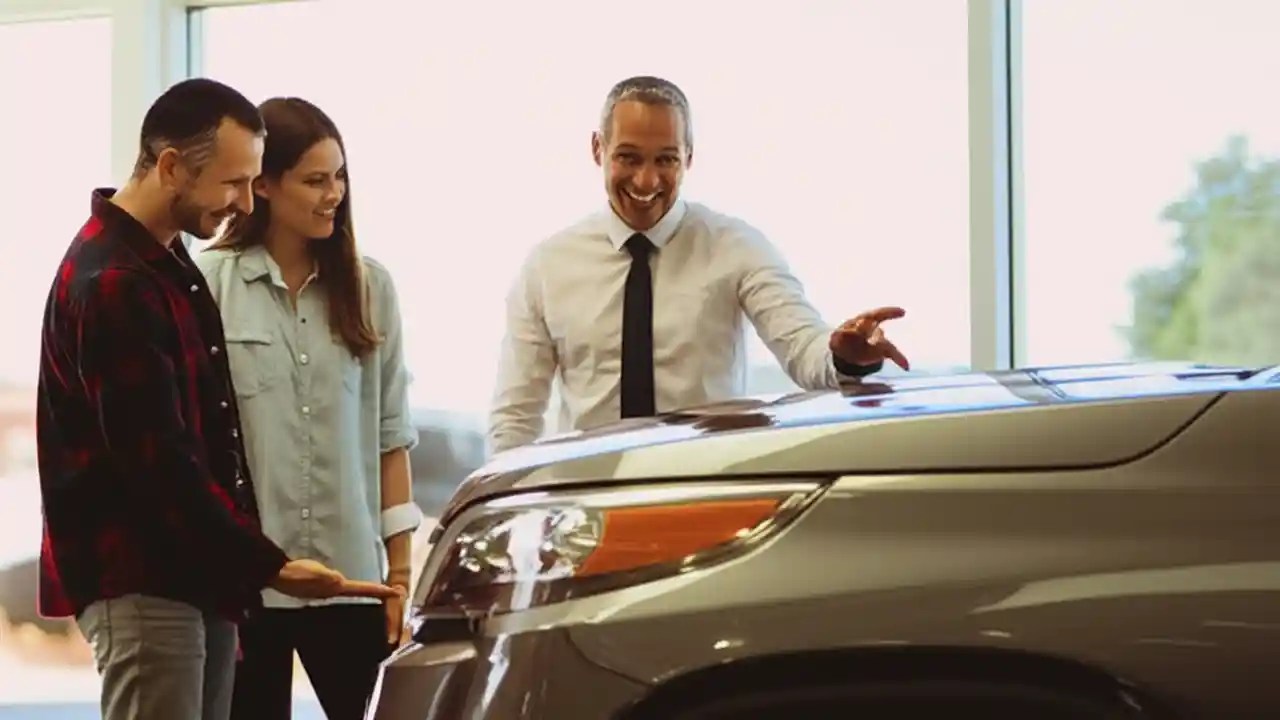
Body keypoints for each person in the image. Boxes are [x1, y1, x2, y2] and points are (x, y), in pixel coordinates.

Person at [36, 78, 401, 720]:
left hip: (200, 580)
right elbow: (160, 466)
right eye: (234, 183)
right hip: (148, 580)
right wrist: (271, 565)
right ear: (173, 167)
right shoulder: (117, 282)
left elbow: (203, 445)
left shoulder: (166, 265)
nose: (242, 202)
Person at [487, 75, 912, 453]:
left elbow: (805, 351)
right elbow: (514, 422)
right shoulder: (547, 267)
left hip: (705, 495)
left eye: (666, 159)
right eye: (629, 157)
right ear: (598, 148)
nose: (646, 181)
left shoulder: (736, 247)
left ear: (689, 157)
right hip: (591, 505)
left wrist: (847, 359)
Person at [196, 96, 420, 720]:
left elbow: (390, 436)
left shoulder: (371, 288)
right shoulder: (208, 283)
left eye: (341, 177)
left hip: (353, 581)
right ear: (264, 184)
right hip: (249, 585)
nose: (334, 195)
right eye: (316, 180)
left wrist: (399, 579)